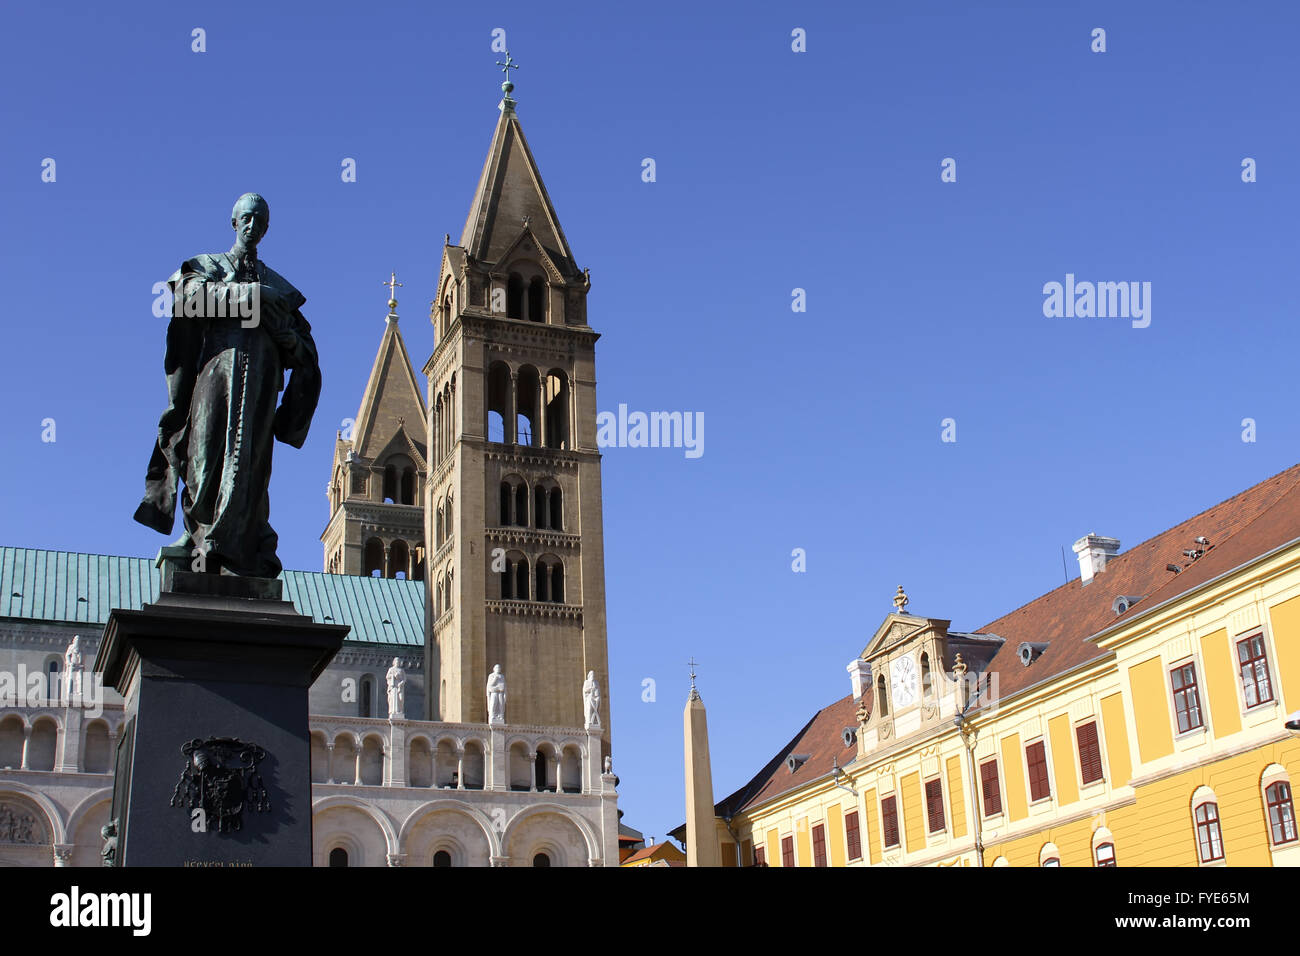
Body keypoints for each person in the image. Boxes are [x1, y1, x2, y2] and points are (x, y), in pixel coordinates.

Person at [133, 193, 321, 577]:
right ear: (234, 223)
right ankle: (199, 536)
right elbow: (189, 298)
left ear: (266, 229)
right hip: (215, 377)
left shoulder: (281, 287)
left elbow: (306, 350)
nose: (252, 226)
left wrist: (286, 338)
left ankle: (244, 545)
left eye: (260, 221)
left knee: (252, 465)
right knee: (204, 458)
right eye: (246, 219)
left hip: (261, 386)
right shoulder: (207, 266)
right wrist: (254, 298)